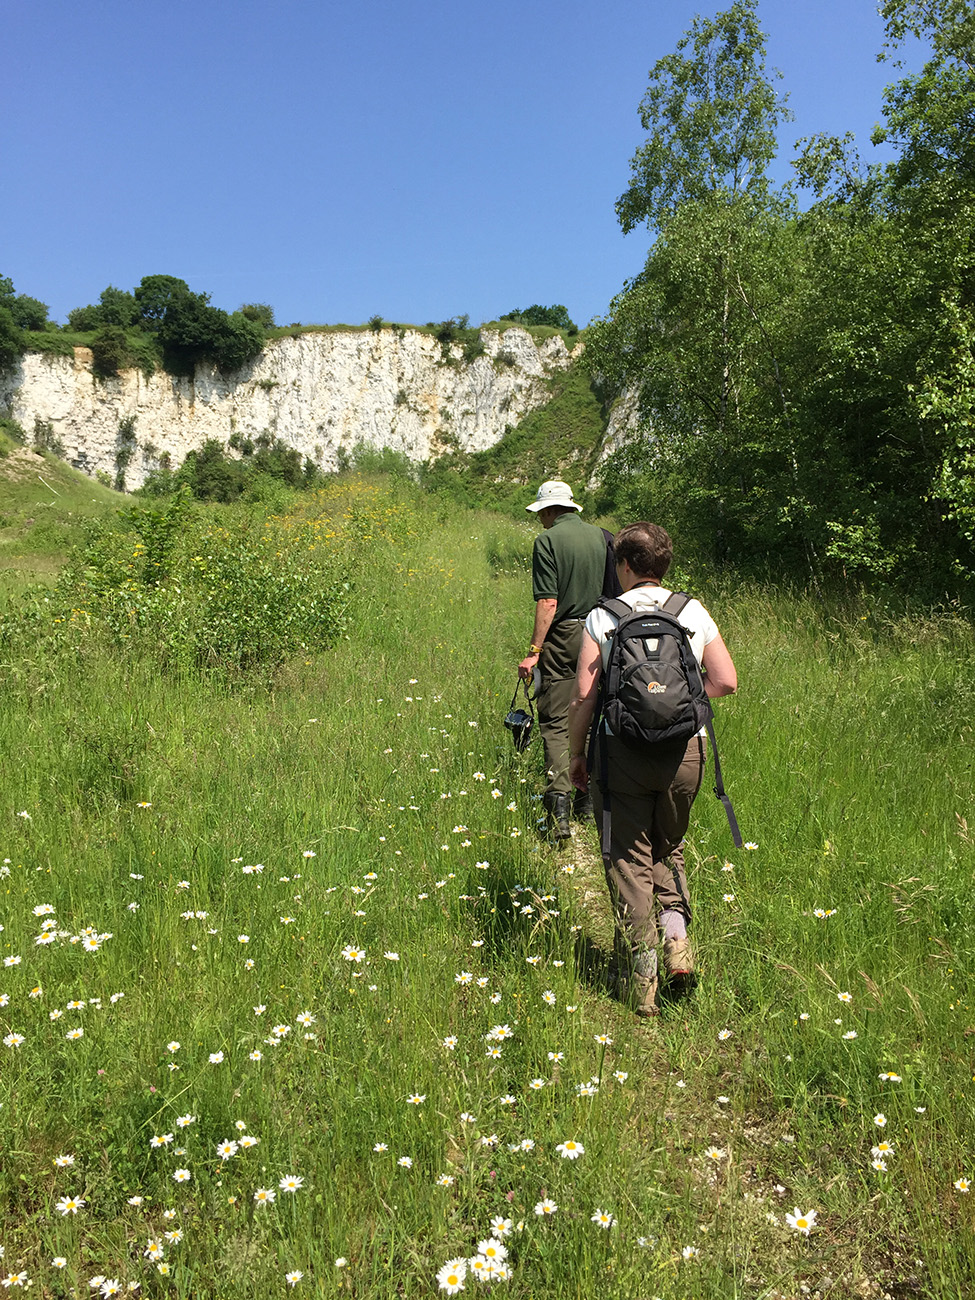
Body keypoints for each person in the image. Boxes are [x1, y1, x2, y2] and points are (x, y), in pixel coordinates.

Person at [567, 521, 737, 1016]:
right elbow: (726, 681)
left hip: (620, 753)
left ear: (623, 565)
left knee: (627, 857)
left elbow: (584, 696)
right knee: (668, 847)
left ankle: (642, 974)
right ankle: (677, 944)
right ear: (664, 564)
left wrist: (577, 755)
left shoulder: (604, 616)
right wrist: (680, 706)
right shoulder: (690, 611)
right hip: (686, 753)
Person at [518, 480, 610, 841]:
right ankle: (587, 801)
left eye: (540, 513)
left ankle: (559, 810)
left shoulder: (547, 541)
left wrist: (534, 652)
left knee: (556, 718)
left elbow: (548, 602)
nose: (539, 519)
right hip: (600, 632)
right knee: (590, 710)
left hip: (564, 635)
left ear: (548, 510)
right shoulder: (600, 536)